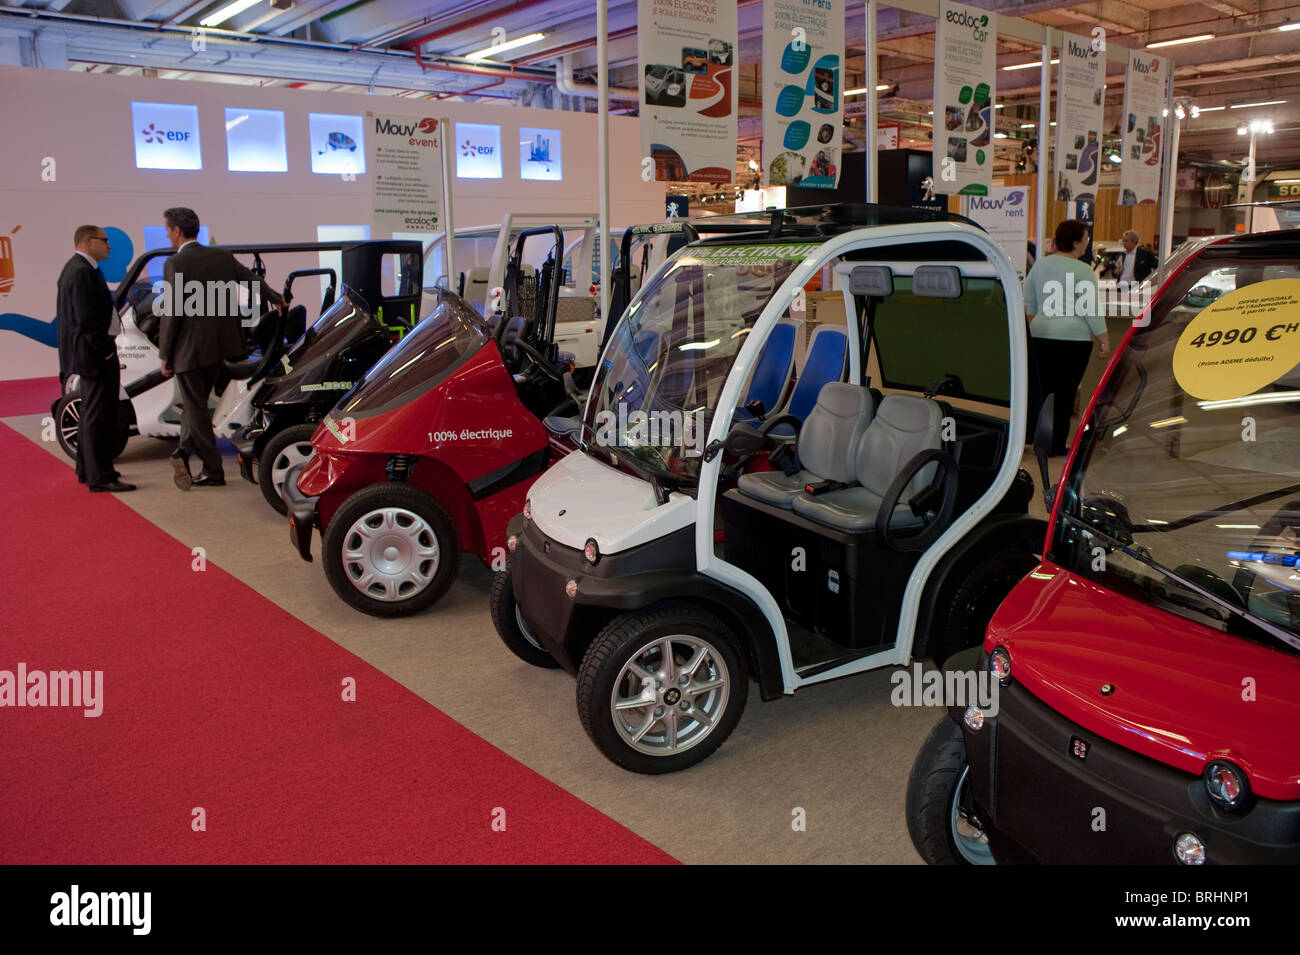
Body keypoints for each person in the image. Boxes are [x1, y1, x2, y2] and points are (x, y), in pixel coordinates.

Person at [158, 207, 285, 490]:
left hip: (189, 351)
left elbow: (172, 313)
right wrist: (277, 298)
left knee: (196, 411)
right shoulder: (220, 255)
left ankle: (212, 470)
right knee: (195, 408)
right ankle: (181, 452)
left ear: (177, 231)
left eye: (167, 229)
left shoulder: (175, 264)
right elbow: (252, 280)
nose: (166, 234)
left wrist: (165, 355)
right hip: (220, 347)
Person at [56, 225, 135, 493]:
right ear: (89, 241)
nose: (109, 246)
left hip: (90, 354)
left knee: (95, 414)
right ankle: (101, 476)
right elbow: (86, 320)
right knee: (97, 416)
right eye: (105, 241)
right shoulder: (80, 272)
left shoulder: (80, 269)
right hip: (94, 356)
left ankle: (90, 469)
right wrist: (105, 351)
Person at [1023, 219, 1110, 456]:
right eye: (1085, 239)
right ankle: (1056, 444)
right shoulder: (1083, 270)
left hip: (1040, 334)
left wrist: (1039, 322)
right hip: (1074, 340)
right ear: (1075, 243)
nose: (1087, 243)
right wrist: (1103, 338)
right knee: (1065, 393)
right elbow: (1090, 308)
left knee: (1041, 391)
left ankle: (1033, 437)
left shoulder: (1040, 266)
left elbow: (1028, 300)